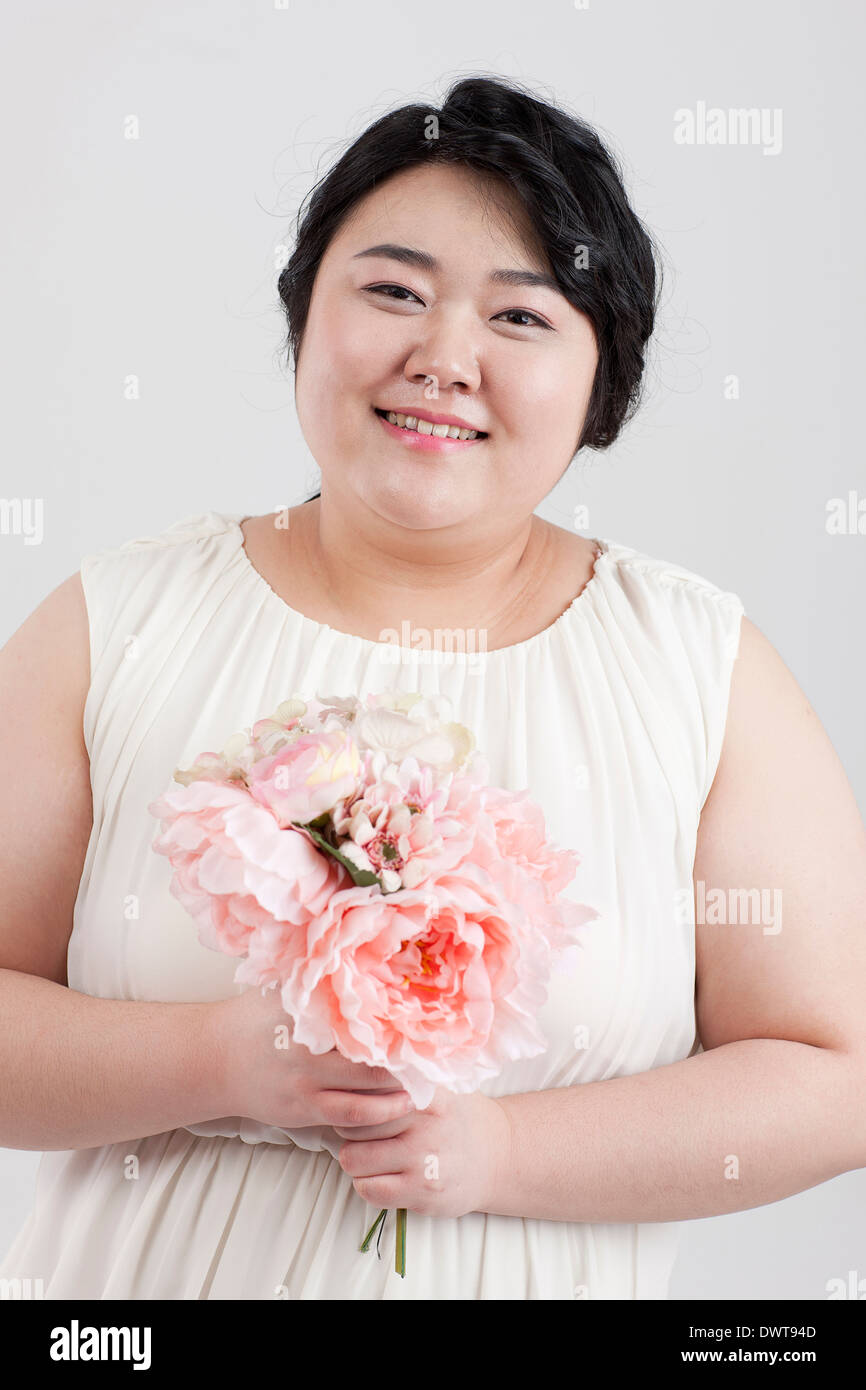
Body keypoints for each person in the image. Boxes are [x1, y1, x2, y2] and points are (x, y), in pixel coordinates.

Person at [1, 75, 864, 1301]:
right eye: (393, 291)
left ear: (600, 377)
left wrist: (499, 1150)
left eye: (520, 319)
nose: (443, 359)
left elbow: (835, 1079)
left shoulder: (696, 667)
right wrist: (215, 1062)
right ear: (304, 315)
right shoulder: (115, 623)